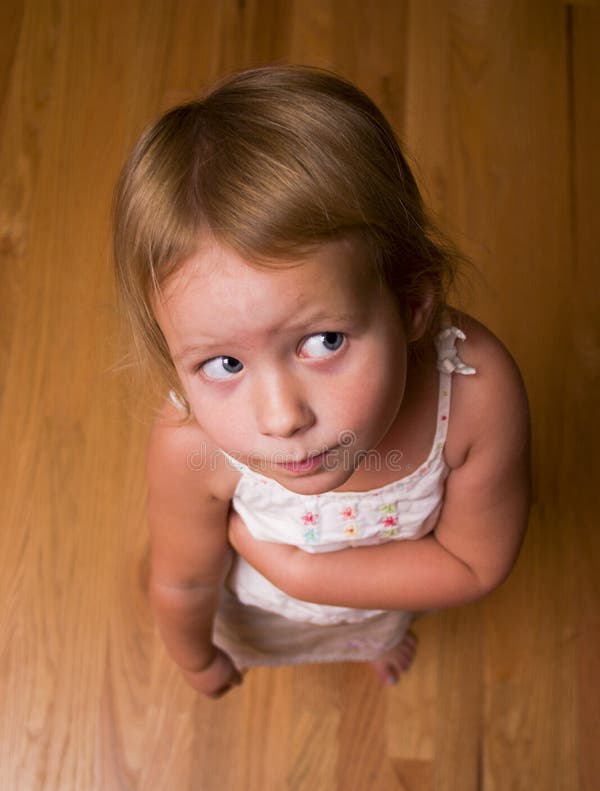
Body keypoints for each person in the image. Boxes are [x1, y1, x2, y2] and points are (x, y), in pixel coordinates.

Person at [113, 65, 530, 699]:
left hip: (382, 595)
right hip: (263, 611)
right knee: (271, 639)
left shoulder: (477, 394)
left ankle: (371, 645)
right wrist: (197, 660)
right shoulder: (193, 447)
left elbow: (473, 563)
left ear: (412, 301)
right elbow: (185, 582)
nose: (281, 419)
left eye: (324, 342)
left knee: (380, 630)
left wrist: (301, 574)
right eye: (223, 365)